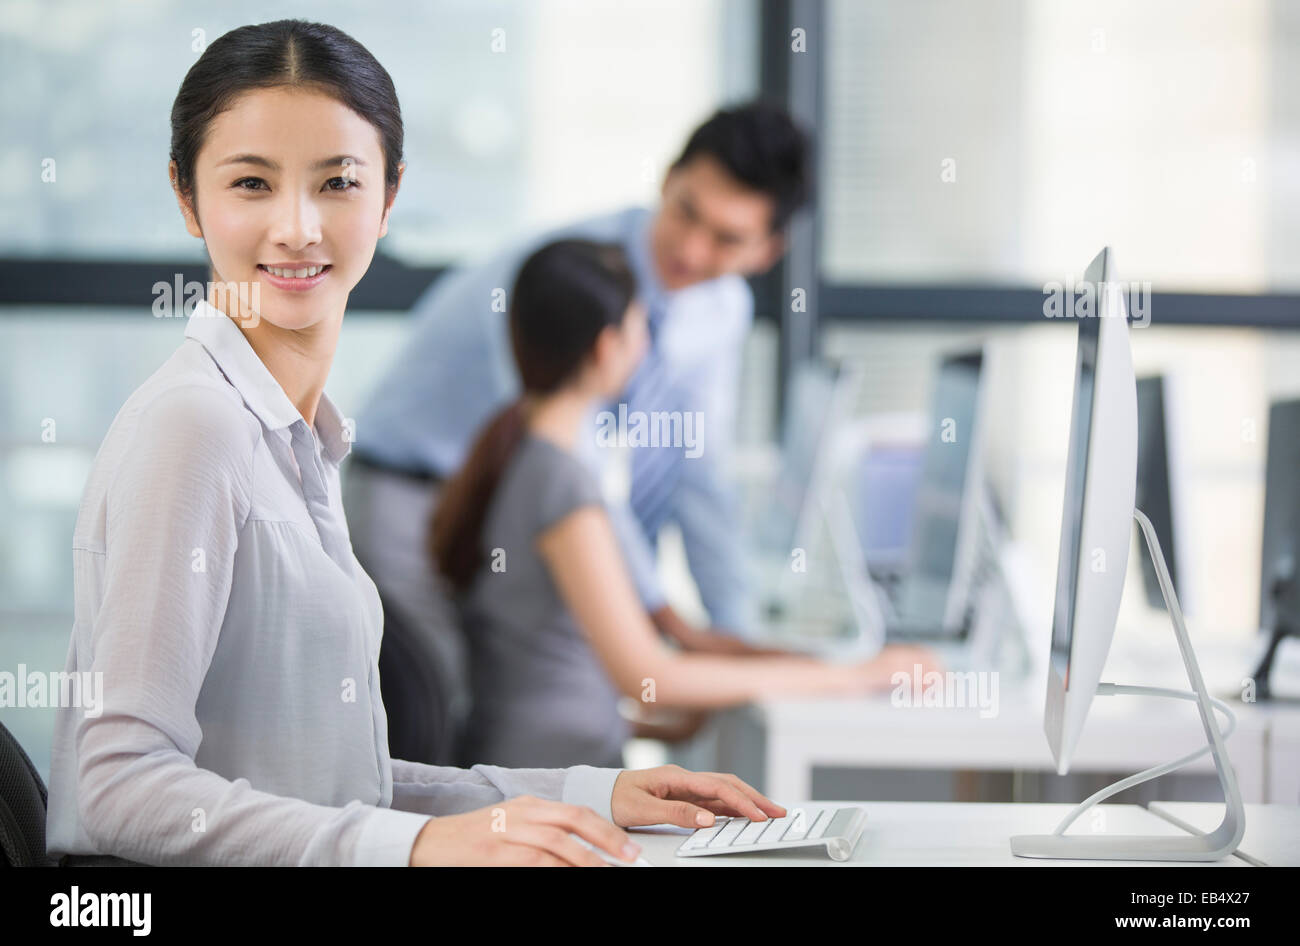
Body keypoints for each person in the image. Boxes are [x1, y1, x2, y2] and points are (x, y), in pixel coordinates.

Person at [44, 18, 785, 868]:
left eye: (337, 183)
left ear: (389, 198)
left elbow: (328, 787)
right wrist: (418, 846)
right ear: (187, 198)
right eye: (251, 183)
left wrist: (581, 794)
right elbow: (117, 789)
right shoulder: (195, 426)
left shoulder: (300, 445)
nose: (297, 227)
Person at [345, 104, 817, 711]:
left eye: (727, 239)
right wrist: (663, 613)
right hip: (410, 487)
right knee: (438, 698)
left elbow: (699, 478)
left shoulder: (720, 311)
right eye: (687, 213)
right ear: (668, 179)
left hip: (503, 502)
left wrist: (736, 638)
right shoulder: (571, 269)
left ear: (767, 251)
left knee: (536, 687)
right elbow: (571, 455)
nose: (693, 251)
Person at [432, 238, 942, 769]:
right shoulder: (561, 482)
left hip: (543, 766)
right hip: (552, 785)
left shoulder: (522, 454)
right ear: (608, 347)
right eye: (638, 327)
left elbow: (556, 668)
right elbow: (648, 677)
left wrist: (683, 708)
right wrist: (856, 677)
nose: (644, 345)